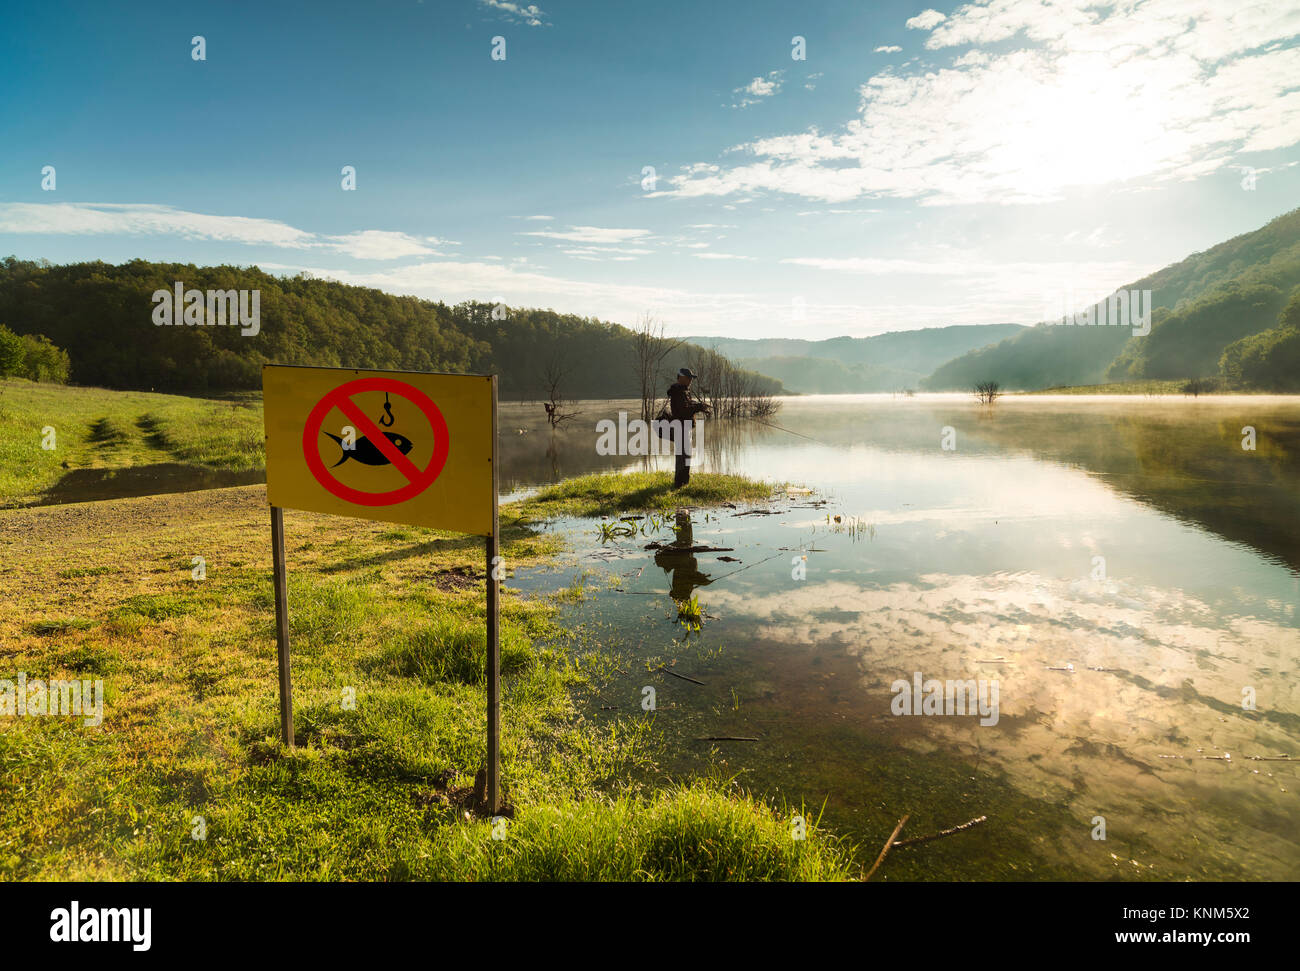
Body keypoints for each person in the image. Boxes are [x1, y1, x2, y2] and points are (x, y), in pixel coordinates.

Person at [665, 367, 709, 488]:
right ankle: (680, 484)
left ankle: (683, 483)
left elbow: (688, 405)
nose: (691, 380)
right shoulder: (678, 392)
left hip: (685, 427)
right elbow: (682, 411)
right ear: (682, 378)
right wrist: (698, 407)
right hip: (680, 427)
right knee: (683, 456)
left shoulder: (684, 391)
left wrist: (700, 406)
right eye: (689, 378)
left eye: (691, 378)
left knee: (686, 455)